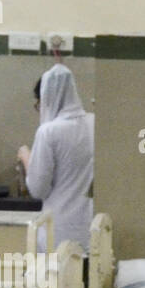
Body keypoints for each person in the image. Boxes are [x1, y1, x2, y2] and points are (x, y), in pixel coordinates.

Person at [16, 63, 94, 251]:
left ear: (46, 99)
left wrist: (26, 157)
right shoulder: (94, 123)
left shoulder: (48, 132)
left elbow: (38, 189)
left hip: (59, 233)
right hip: (91, 230)